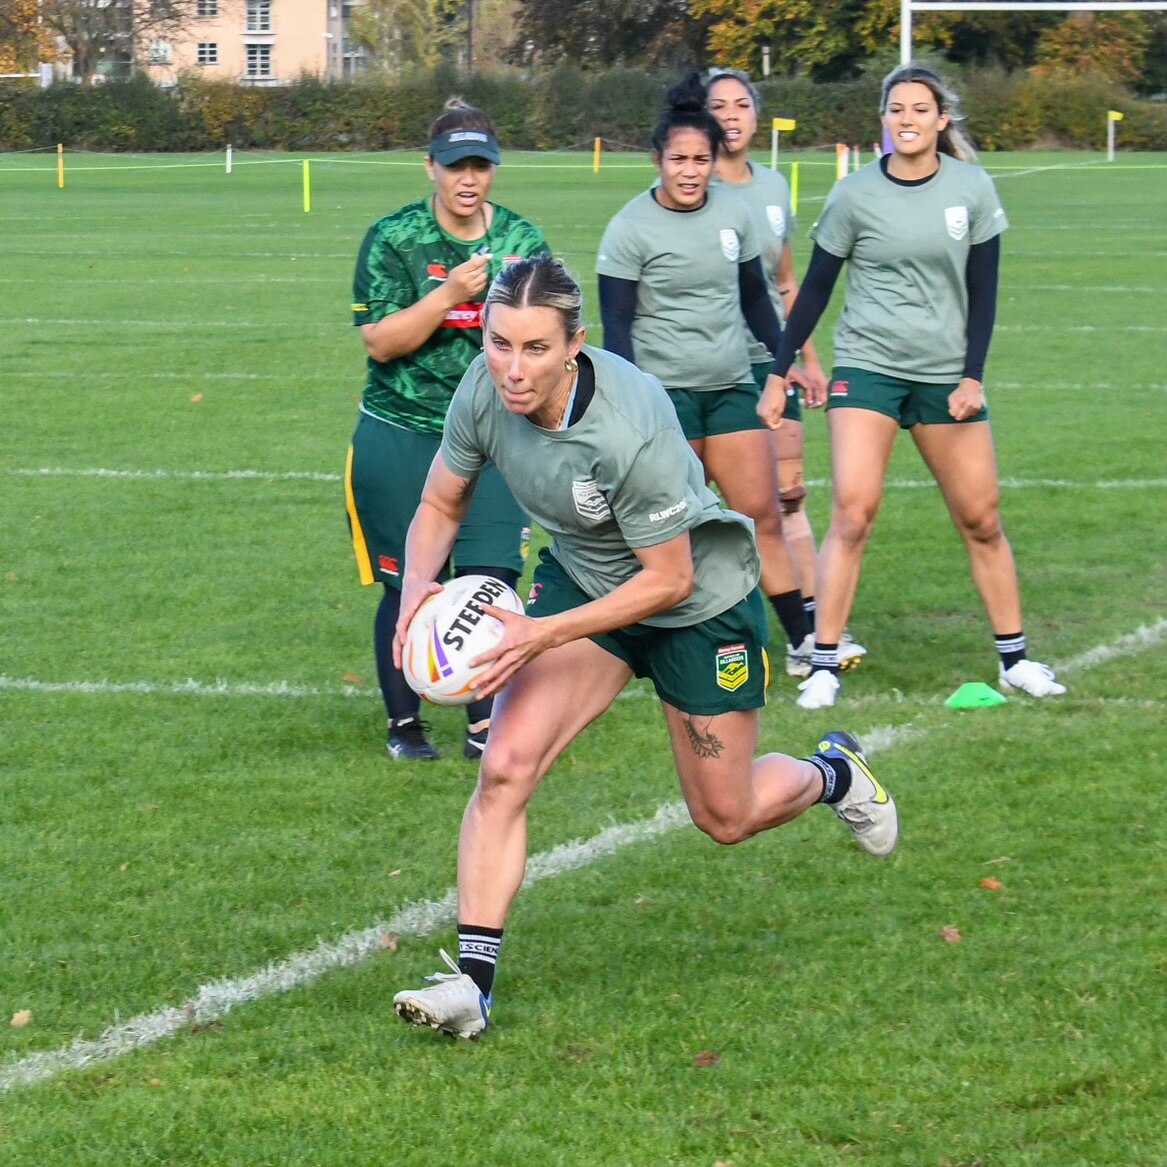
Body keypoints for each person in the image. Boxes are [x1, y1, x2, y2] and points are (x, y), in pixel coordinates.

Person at [389, 256, 898, 1039]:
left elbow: (668, 577)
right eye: (498, 344)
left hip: (697, 604)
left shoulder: (629, 422)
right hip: (586, 580)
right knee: (505, 765)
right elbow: (439, 498)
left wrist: (539, 632)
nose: (512, 369)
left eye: (532, 349)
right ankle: (472, 984)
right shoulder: (481, 391)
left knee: (724, 817)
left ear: (574, 345)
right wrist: (417, 589)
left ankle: (835, 773)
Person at [758, 63, 1066, 710]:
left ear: (940, 119)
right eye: (894, 110)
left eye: (918, 110)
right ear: (883, 120)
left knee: (980, 518)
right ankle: (822, 663)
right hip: (867, 367)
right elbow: (814, 287)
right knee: (852, 510)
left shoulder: (972, 190)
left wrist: (970, 375)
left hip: (943, 375)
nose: (906, 120)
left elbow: (983, 294)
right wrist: (780, 366)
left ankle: (1014, 659)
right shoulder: (853, 195)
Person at [345, 98, 550, 761]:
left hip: (496, 438)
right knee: (408, 579)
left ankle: (484, 723)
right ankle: (405, 725)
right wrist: (447, 296)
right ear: (429, 166)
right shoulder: (394, 238)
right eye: (456, 165)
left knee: (491, 580)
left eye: (481, 166)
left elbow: (550, 339)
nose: (469, 179)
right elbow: (380, 341)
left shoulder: (521, 242)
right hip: (402, 430)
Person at [596, 72, 815, 680]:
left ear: (714, 161)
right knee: (677, 528)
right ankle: (650, 643)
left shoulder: (737, 215)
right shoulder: (629, 229)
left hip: (730, 389)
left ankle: (803, 641)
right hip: (665, 399)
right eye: (678, 159)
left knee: (760, 516)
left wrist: (782, 363)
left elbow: (755, 301)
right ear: (657, 160)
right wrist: (632, 408)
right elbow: (617, 330)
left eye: (700, 159)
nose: (690, 171)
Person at [705, 66, 867, 679]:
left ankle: (812, 629)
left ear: (755, 115)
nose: (729, 115)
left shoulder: (773, 190)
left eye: (740, 104)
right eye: (717, 105)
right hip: (707, 368)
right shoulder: (690, 182)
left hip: (770, 363)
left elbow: (786, 281)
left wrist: (806, 359)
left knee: (788, 499)